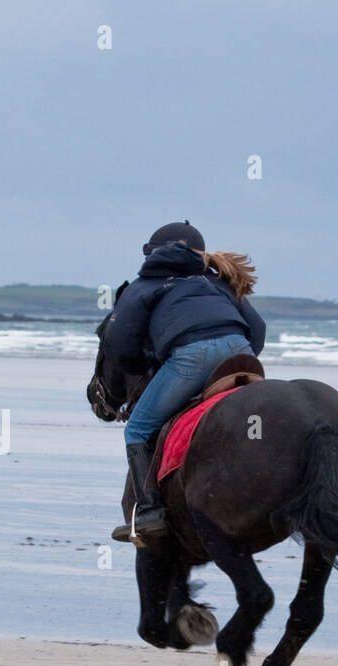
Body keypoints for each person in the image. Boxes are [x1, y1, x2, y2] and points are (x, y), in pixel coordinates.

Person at [106, 221, 266, 541]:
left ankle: (149, 512)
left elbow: (120, 347)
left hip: (191, 357)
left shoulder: (143, 286)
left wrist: (150, 367)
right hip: (241, 351)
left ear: (152, 254)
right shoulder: (217, 281)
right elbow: (257, 328)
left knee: (136, 429)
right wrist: (239, 354)